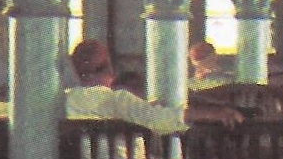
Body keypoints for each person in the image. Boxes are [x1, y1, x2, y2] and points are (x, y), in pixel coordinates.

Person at [65, 39, 241, 133]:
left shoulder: (65, 99)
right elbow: (160, 119)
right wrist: (213, 114)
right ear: (110, 69)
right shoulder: (117, 100)